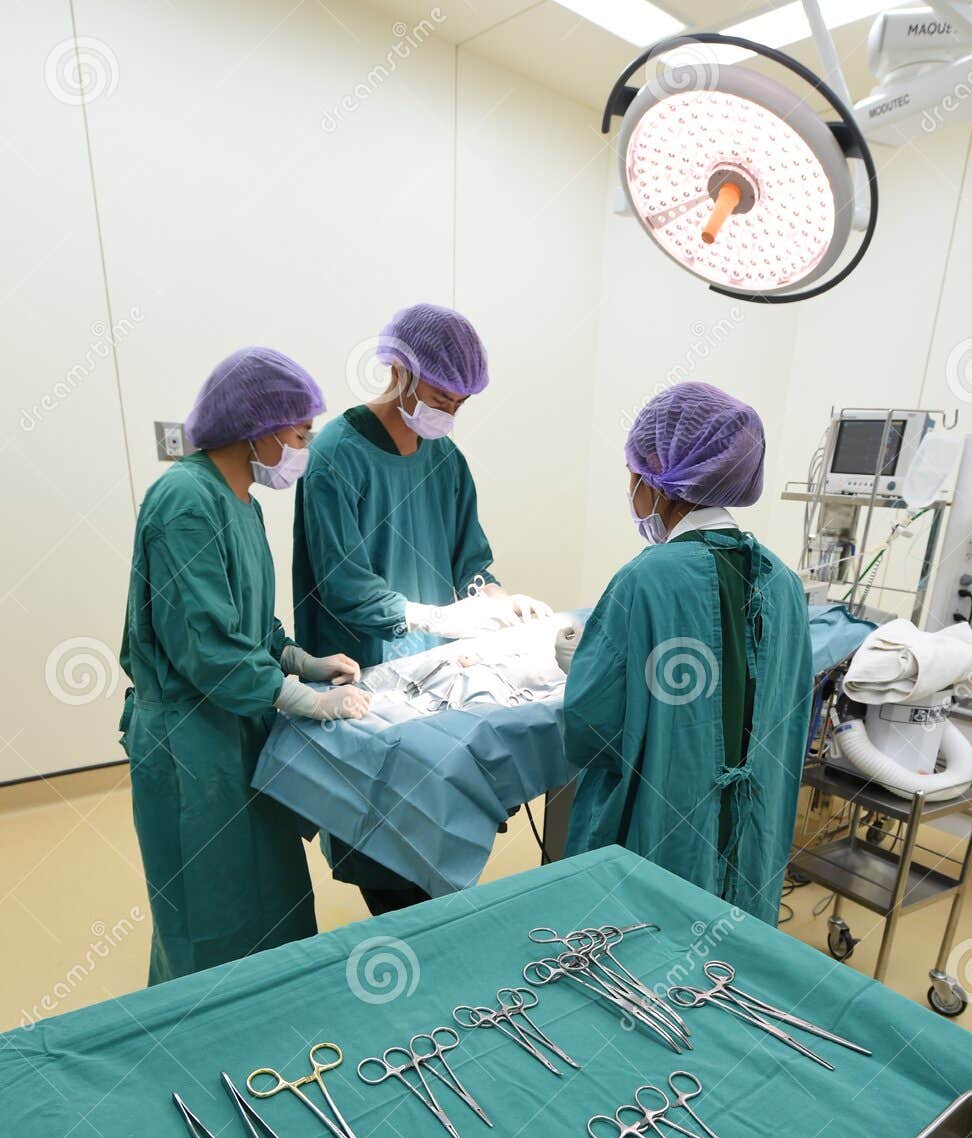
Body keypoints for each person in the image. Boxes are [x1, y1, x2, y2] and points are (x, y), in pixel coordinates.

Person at [120, 346, 370, 984]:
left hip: (239, 732)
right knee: (209, 914)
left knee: (271, 900)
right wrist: (302, 698)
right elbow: (206, 650)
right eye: (299, 433)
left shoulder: (246, 504)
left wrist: (303, 662)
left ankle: (271, 1019)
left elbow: (250, 632)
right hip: (192, 748)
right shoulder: (184, 502)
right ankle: (201, 1050)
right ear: (257, 429)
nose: (305, 448)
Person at [292, 302, 551, 914]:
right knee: (384, 836)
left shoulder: (446, 461)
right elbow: (342, 583)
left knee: (442, 815)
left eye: (460, 404)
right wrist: (430, 617)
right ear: (400, 372)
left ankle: (435, 933)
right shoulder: (333, 456)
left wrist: (493, 599)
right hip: (366, 670)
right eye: (441, 397)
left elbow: (471, 561)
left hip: (441, 672)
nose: (449, 414)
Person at [561, 381, 812, 923]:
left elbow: (589, 730)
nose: (630, 487)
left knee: (638, 964)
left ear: (657, 479)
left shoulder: (647, 579)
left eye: (633, 473)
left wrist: (582, 667)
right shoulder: (785, 585)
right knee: (725, 975)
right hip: (749, 854)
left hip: (661, 851)